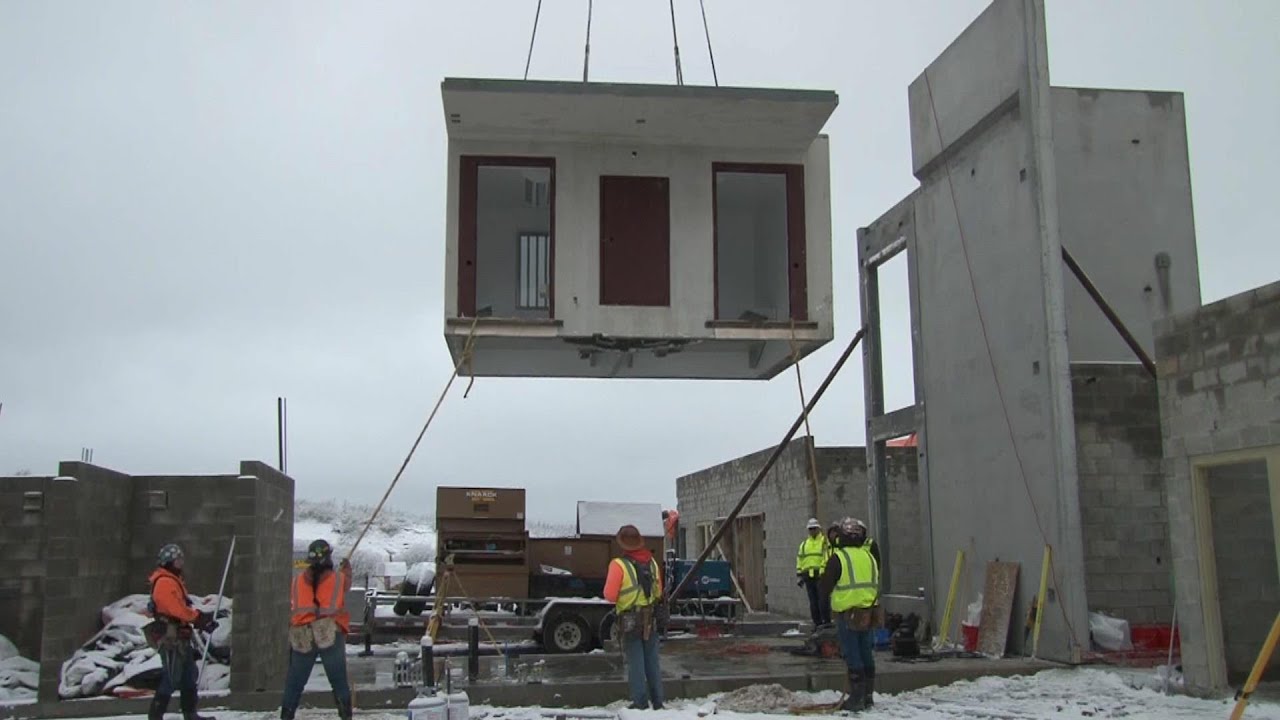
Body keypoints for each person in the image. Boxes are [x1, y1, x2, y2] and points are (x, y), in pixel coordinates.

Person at [280, 539, 353, 720]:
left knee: (294, 684)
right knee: (339, 683)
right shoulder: (338, 578)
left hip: (301, 634)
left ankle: (286, 716)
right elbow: (344, 585)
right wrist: (346, 570)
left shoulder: (296, 580)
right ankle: (345, 716)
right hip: (327, 632)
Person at [147, 543, 217, 720]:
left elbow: (182, 607)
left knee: (188, 675)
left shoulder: (172, 581)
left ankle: (190, 714)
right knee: (171, 677)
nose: (180, 564)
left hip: (180, 636)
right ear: (168, 562)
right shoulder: (164, 582)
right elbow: (176, 609)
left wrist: (199, 619)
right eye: (177, 561)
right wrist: (198, 618)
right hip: (171, 638)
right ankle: (155, 716)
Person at [819, 517, 881, 712]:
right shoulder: (869, 556)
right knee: (866, 654)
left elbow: (825, 586)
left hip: (848, 614)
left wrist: (824, 611)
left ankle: (856, 698)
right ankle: (868, 696)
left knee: (852, 654)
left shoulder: (839, 558)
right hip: (868, 613)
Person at [603, 524, 664, 710]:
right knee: (652, 661)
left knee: (636, 662)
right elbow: (659, 591)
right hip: (650, 618)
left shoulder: (618, 564)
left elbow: (610, 595)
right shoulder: (652, 562)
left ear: (622, 544)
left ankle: (640, 704)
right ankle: (658, 702)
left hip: (630, 620)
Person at [795, 517, 831, 629]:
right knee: (813, 602)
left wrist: (823, 572)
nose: (812, 531)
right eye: (810, 529)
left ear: (818, 529)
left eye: (814, 528)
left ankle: (826, 622)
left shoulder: (824, 542)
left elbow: (827, 557)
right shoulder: (805, 544)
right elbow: (800, 560)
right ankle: (817, 623)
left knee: (823, 600)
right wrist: (799, 575)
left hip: (820, 575)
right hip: (808, 576)